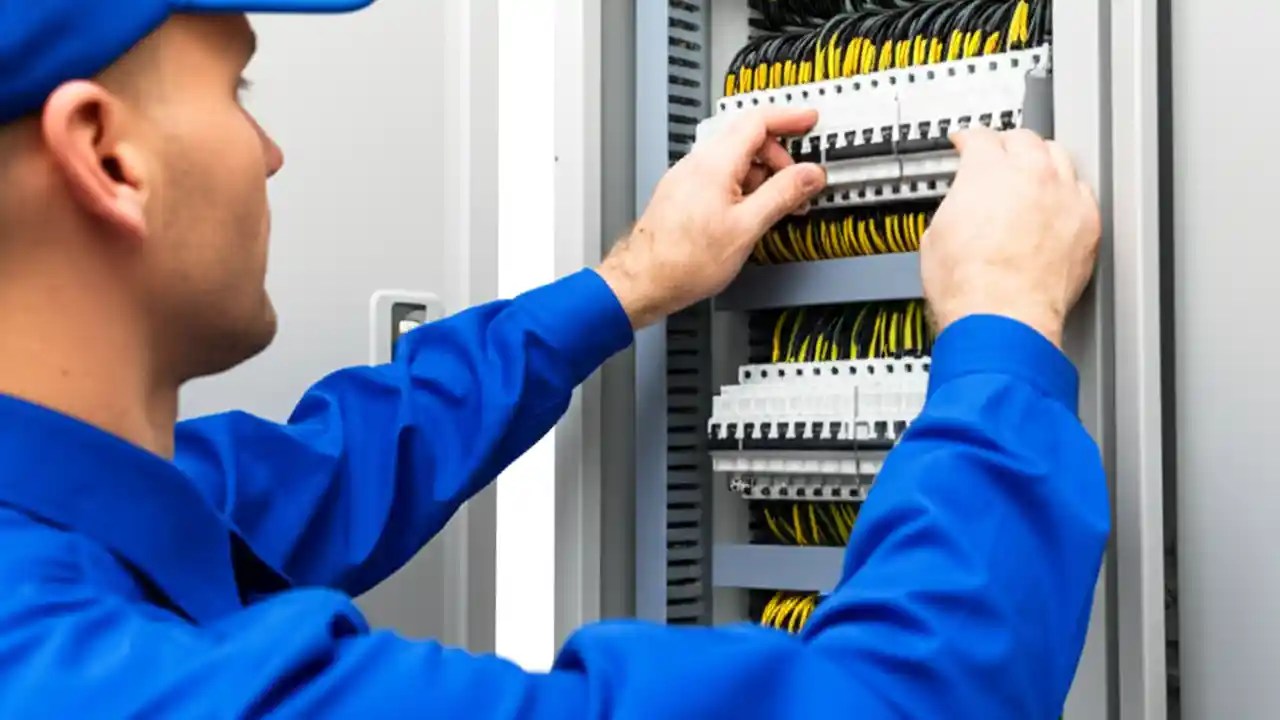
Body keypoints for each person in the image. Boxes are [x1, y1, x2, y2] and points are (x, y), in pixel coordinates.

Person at [0, 1, 1106, 718]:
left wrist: (631, 282)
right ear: (106, 155)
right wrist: (1000, 325)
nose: (270, 151)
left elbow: (336, 468)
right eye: (238, 91)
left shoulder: (64, 524)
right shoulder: (96, 681)